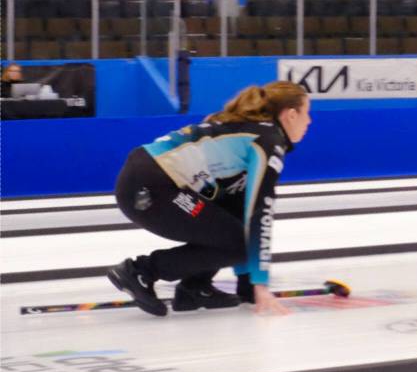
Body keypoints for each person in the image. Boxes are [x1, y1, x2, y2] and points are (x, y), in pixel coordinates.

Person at [107, 81, 312, 316]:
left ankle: (195, 287)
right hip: (154, 187)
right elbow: (260, 212)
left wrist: (247, 286)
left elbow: (240, 208)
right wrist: (261, 285)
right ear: (291, 115)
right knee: (238, 243)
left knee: (230, 218)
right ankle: (141, 271)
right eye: (307, 113)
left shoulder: (248, 128)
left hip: (148, 180)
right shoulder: (268, 141)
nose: (310, 122)